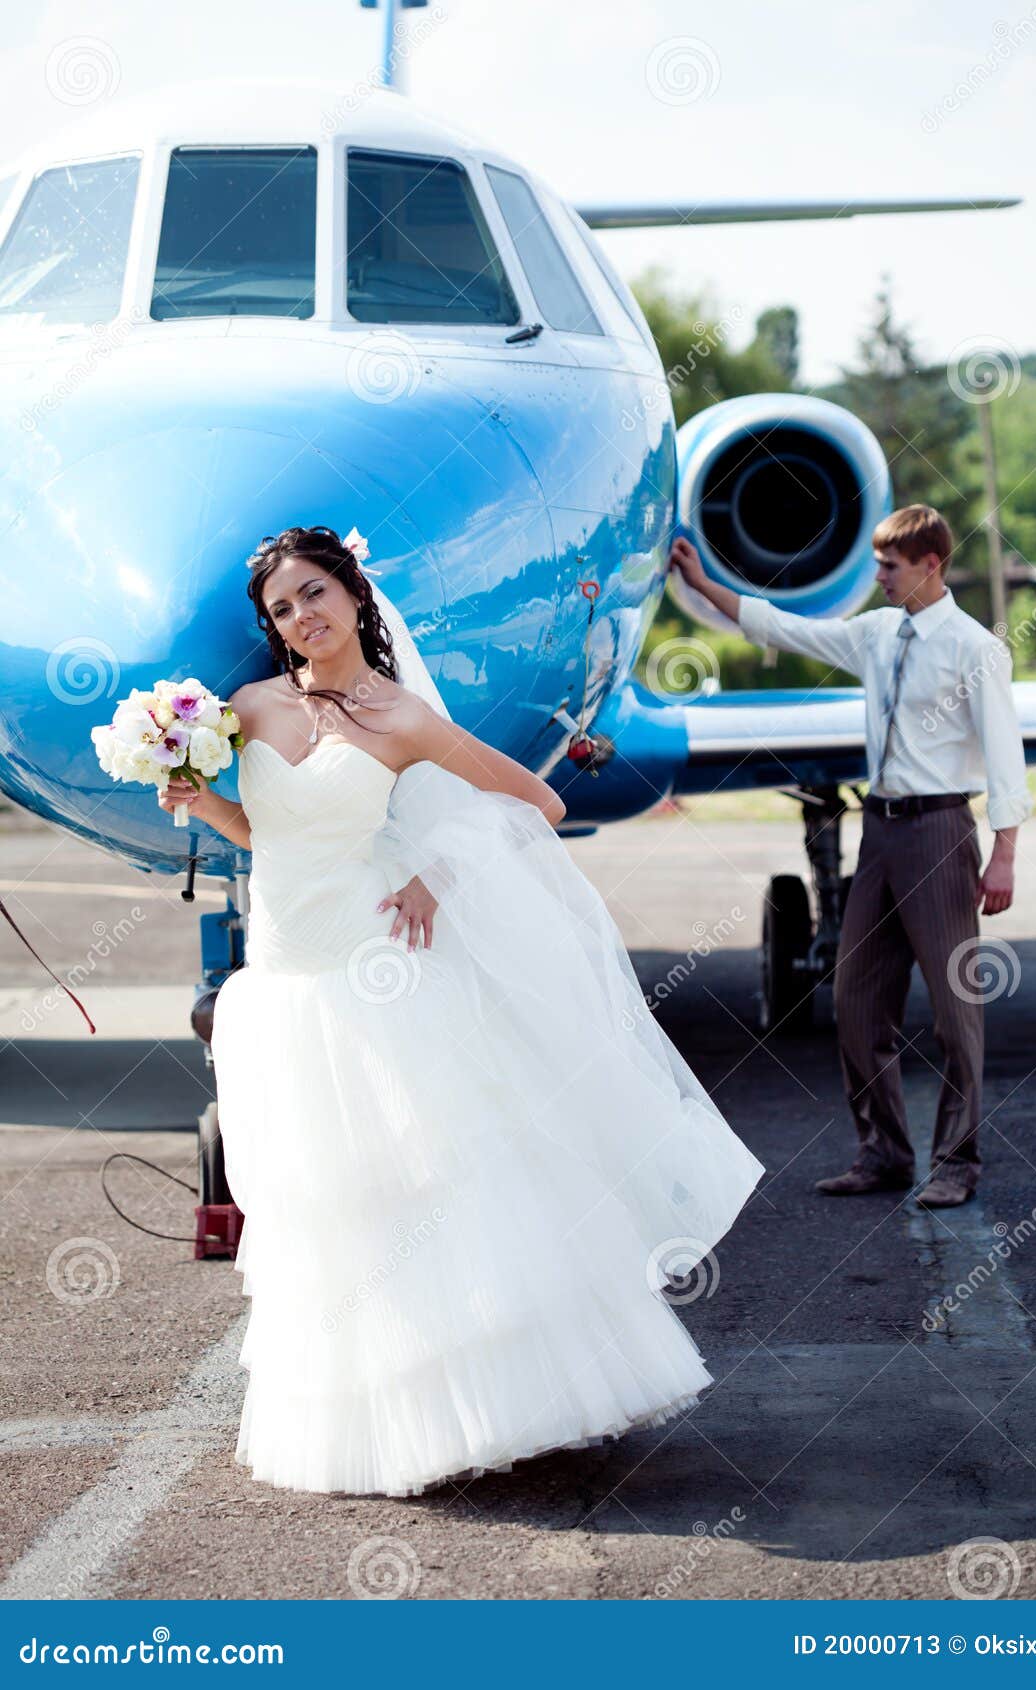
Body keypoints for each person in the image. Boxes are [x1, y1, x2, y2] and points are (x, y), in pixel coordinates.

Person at [160, 524, 765, 1499]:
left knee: (429, 1191)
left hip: (371, 970)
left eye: (315, 593)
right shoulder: (250, 706)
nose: (301, 617)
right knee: (326, 1209)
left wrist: (436, 874)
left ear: (354, 595)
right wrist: (198, 801)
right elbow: (265, 832)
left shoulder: (400, 717)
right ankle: (370, 1419)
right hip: (278, 982)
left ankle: (494, 1408)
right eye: (281, 608)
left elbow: (535, 801)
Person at [669, 504, 1032, 1210]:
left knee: (956, 1014)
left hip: (938, 832)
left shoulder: (973, 648)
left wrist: (1004, 853)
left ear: (929, 564)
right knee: (856, 1002)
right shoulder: (874, 634)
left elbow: (1004, 755)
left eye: (889, 566)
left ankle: (956, 1163)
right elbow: (784, 627)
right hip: (880, 833)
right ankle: (884, 1154)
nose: (878, 577)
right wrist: (700, 579)